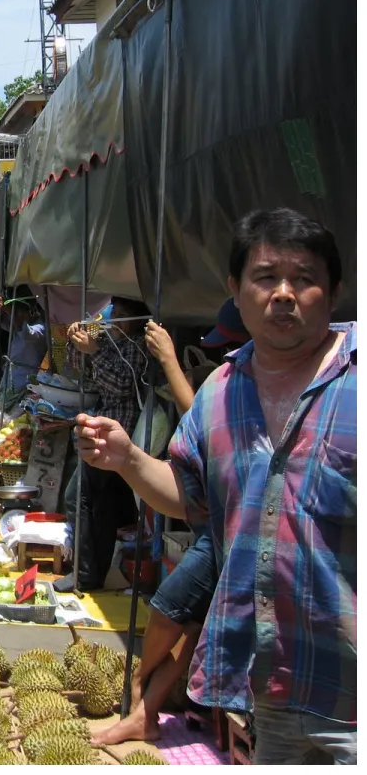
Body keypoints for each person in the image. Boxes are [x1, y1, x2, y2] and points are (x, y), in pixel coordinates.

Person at [75, 208, 355, 764]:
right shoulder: (221, 391)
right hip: (269, 689)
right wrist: (129, 458)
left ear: (335, 290)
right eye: (265, 277)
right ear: (235, 289)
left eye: (303, 278)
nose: (283, 294)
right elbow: (190, 497)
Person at [94, 308, 240, 746]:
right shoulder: (235, 377)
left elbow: (200, 419)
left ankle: (140, 688)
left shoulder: (244, 386)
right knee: (192, 628)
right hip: (211, 518)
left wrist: (170, 362)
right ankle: (146, 711)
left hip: (225, 529)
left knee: (172, 606)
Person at [58, 297, 150, 592]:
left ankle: (84, 573)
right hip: (102, 433)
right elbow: (79, 368)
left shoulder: (137, 346)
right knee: (100, 504)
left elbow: (121, 384)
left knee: (78, 497)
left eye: (124, 315)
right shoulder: (111, 341)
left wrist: (94, 351)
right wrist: (77, 341)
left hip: (119, 435)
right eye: (115, 313)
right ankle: (90, 574)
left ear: (137, 320)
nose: (116, 320)